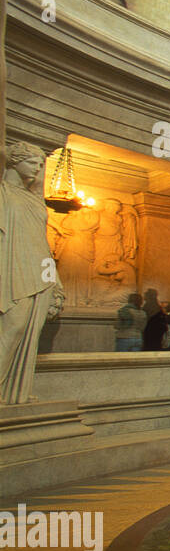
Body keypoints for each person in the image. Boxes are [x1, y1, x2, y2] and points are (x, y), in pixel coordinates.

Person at [0, 142, 64, 403]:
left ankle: (14, 394)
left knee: (29, 331)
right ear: (14, 161)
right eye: (32, 162)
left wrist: (55, 279)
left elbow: (43, 242)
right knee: (13, 326)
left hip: (40, 270)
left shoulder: (35, 201)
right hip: (13, 266)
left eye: (41, 163)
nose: (38, 168)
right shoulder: (3, 194)